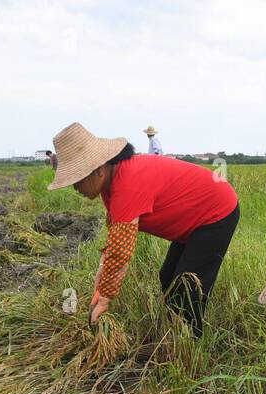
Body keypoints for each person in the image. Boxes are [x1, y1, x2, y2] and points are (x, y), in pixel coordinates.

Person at [48, 122, 238, 337]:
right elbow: (114, 239)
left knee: (188, 285)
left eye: (77, 181)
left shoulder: (127, 184)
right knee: (168, 276)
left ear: (98, 170)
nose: (76, 188)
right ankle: (175, 330)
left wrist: (104, 298)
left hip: (216, 213)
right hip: (195, 218)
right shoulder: (111, 185)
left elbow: (121, 251)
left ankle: (190, 343)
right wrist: (101, 280)